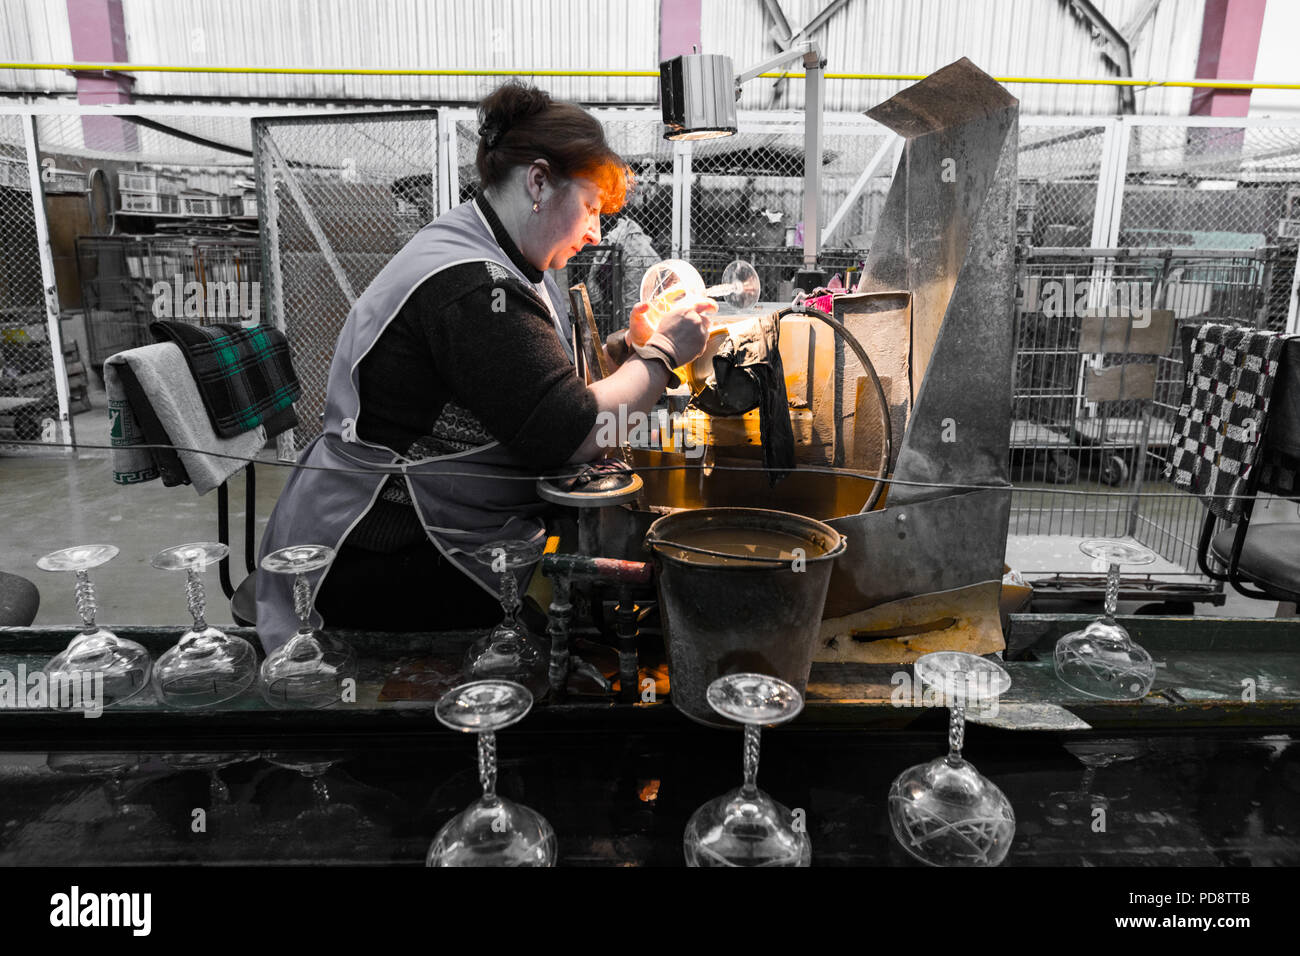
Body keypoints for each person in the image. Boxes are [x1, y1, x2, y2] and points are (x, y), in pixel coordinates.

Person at [255, 81, 716, 649]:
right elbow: (568, 432)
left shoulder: (499, 254)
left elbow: (532, 387)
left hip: (429, 526)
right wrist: (664, 355)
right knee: (564, 631)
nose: (596, 231)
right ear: (539, 182)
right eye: (592, 207)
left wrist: (627, 347)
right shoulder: (472, 284)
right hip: (382, 546)